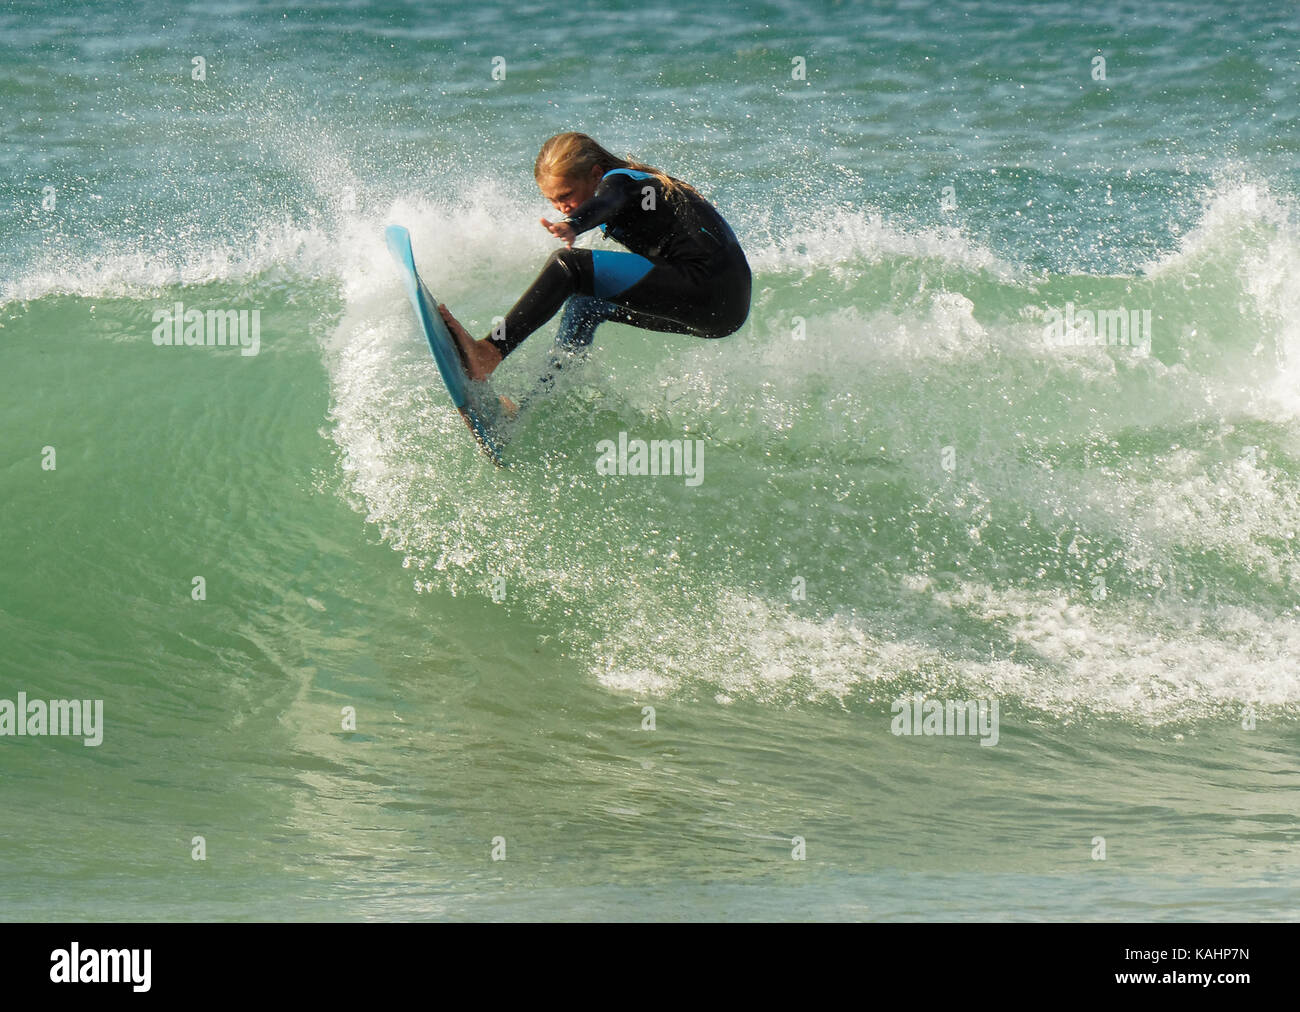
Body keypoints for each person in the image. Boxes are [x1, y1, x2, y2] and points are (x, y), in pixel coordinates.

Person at [437, 132, 751, 393]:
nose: (562, 206)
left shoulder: (620, 182)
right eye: (553, 201)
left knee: (569, 266)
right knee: (584, 305)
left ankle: (489, 353)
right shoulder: (627, 185)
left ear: (595, 175)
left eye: (566, 195)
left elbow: (606, 203)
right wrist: (576, 217)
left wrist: (574, 224)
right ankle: (544, 400)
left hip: (709, 286)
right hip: (724, 310)